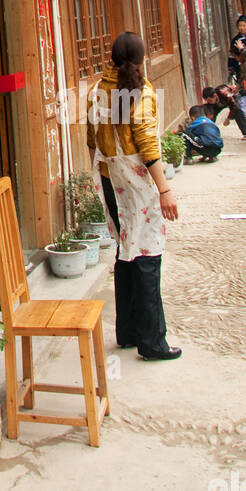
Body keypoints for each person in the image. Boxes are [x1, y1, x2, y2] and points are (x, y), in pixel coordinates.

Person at [87, 31, 180, 361]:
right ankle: (153, 341)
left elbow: (90, 139)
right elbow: (147, 145)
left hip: (109, 178)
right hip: (136, 181)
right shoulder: (142, 91)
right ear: (142, 58)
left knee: (125, 247)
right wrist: (164, 190)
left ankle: (126, 332)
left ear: (112, 57)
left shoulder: (97, 89)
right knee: (147, 253)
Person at [227, 15, 246, 83]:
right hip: (240, 67)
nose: (242, 28)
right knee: (243, 84)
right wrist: (231, 66)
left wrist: (241, 48)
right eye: (240, 26)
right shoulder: (235, 40)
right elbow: (232, 54)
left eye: (244, 25)